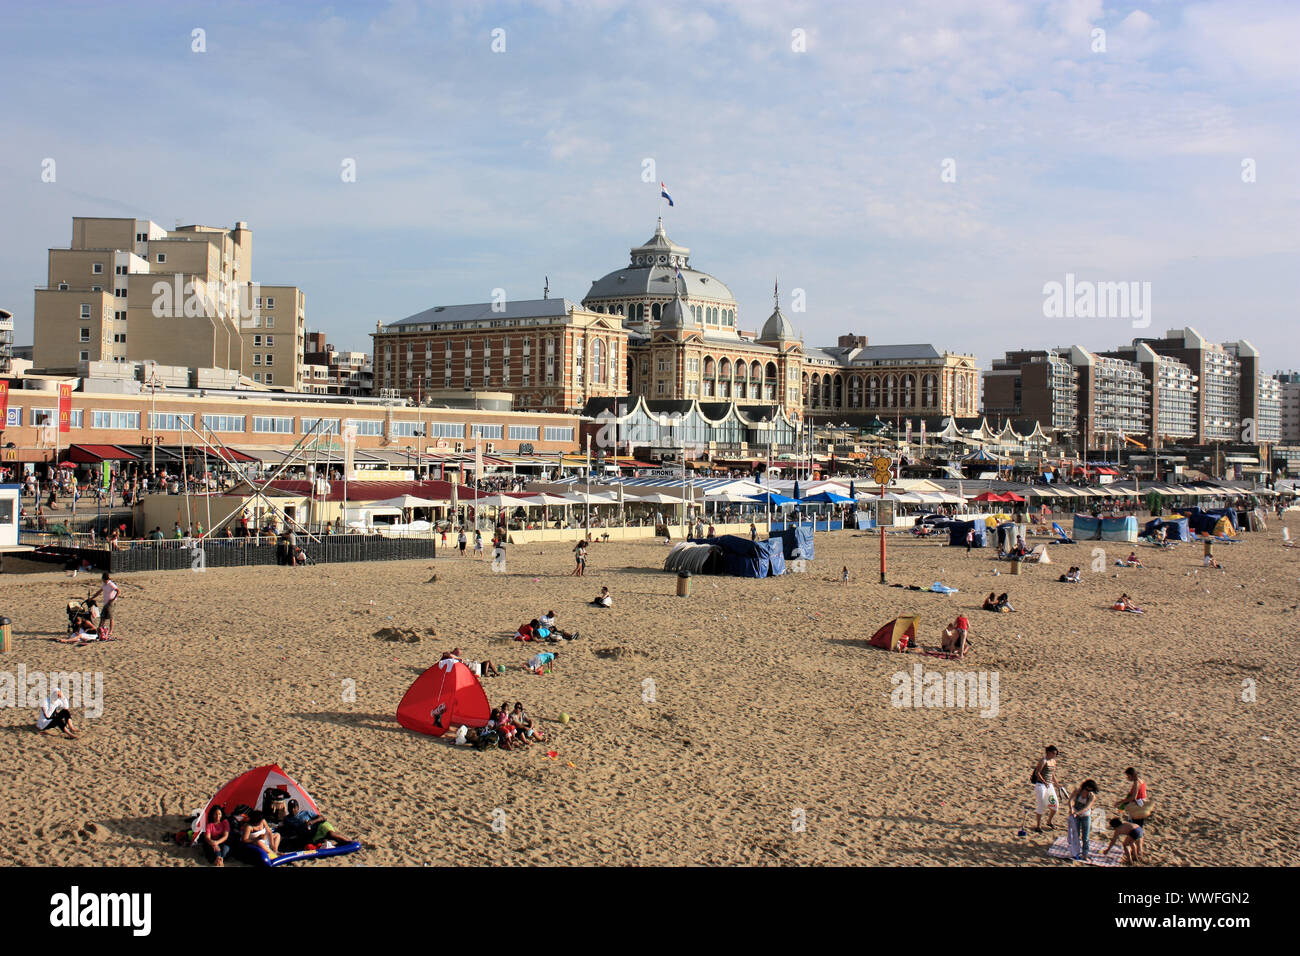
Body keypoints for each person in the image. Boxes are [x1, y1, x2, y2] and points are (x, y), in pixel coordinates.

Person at [281, 798, 353, 849]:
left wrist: (312, 822)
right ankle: (339, 845)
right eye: (290, 808)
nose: (292, 810)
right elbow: (286, 829)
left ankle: (350, 842)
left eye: (294, 808)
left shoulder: (305, 813)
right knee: (318, 843)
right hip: (312, 834)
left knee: (332, 835)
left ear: (298, 808)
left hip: (320, 826)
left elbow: (322, 818)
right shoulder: (287, 819)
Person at [1067, 779, 1100, 861]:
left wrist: (1077, 813)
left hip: (1085, 815)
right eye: (1086, 789)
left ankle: (1085, 854)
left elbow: (1087, 807)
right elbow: (1071, 800)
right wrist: (1071, 808)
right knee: (1076, 835)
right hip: (1076, 814)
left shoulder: (1091, 796)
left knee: (1085, 837)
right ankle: (1075, 852)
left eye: (1089, 790)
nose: (1087, 791)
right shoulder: (1078, 791)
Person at [1031, 746, 1061, 832]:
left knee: (1055, 805)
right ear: (1048, 753)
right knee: (1041, 805)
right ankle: (1038, 825)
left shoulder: (1053, 761)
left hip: (1049, 785)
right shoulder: (1043, 761)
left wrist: (1057, 783)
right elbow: (1038, 773)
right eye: (1054, 753)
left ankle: (1049, 821)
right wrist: (1044, 781)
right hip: (1041, 785)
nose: (1055, 755)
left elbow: (1052, 774)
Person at [89, 572, 119, 639]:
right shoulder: (104, 585)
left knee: (111, 617)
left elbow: (118, 591)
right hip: (105, 603)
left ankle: (111, 631)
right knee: (103, 617)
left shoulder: (111, 584)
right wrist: (92, 598)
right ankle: (100, 629)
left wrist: (113, 599)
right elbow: (99, 592)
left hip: (111, 603)